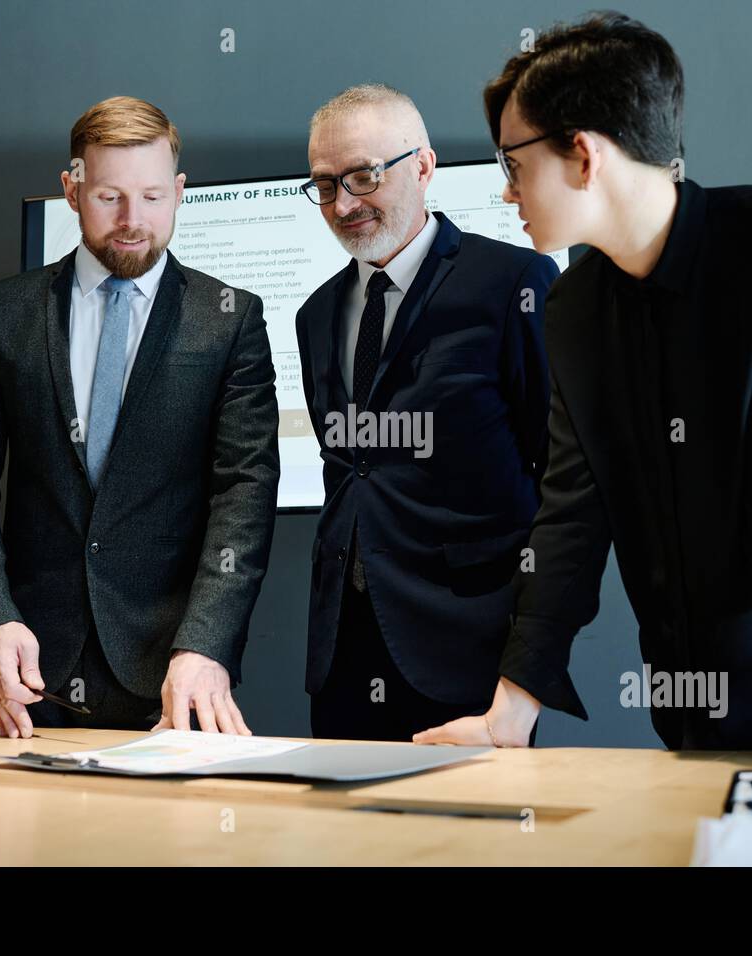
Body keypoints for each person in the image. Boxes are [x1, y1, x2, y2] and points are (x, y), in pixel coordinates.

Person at [416, 13, 752, 759]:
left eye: (512, 162)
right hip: (704, 661)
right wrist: (511, 708)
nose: (506, 191)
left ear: (583, 153)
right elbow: (571, 516)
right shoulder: (574, 308)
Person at [0, 96, 279, 738]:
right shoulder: (2, 314)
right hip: (33, 670)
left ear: (179, 191)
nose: (132, 221)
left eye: (151, 197)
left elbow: (246, 491)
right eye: (109, 197)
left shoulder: (229, 318)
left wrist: (205, 644)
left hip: (177, 675)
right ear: (71, 189)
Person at [295, 84, 559, 742]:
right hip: (342, 653)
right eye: (324, 185)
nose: (343, 204)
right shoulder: (315, 315)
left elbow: (563, 478)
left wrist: (530, 657)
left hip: (470, 652)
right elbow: (349, 471)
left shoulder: (514, 283)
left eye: (361, 176)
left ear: (423, 166)